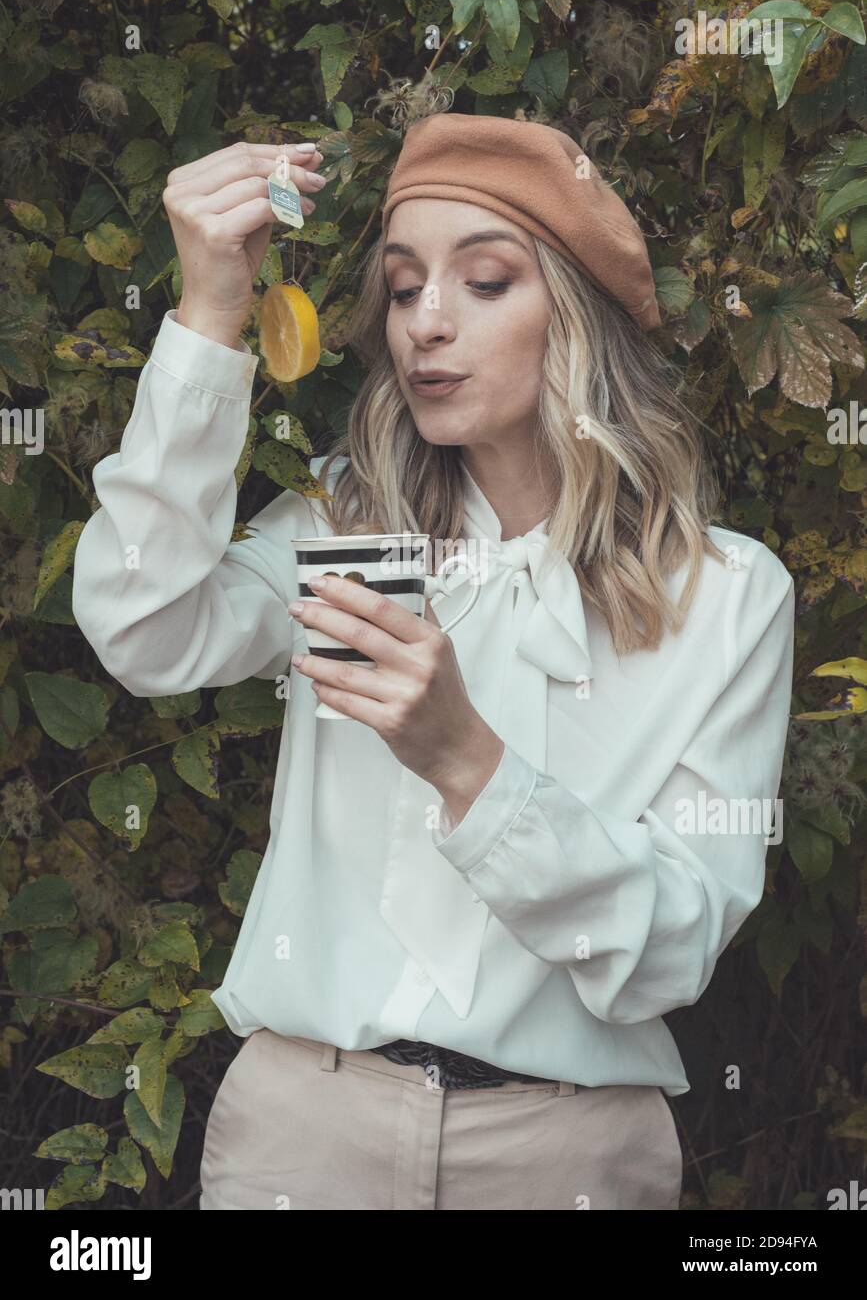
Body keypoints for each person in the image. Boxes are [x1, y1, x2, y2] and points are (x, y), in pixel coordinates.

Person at [71, 113, 794, 1211]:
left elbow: (671, 951)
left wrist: (470, 764)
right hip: (305, 1135)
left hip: (565, 1155)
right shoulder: (345, 524)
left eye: (485, 281)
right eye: (404, 288)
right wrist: (211, 314)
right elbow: (144, 627)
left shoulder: (728, 594)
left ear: (579, 318)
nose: (427, 322)